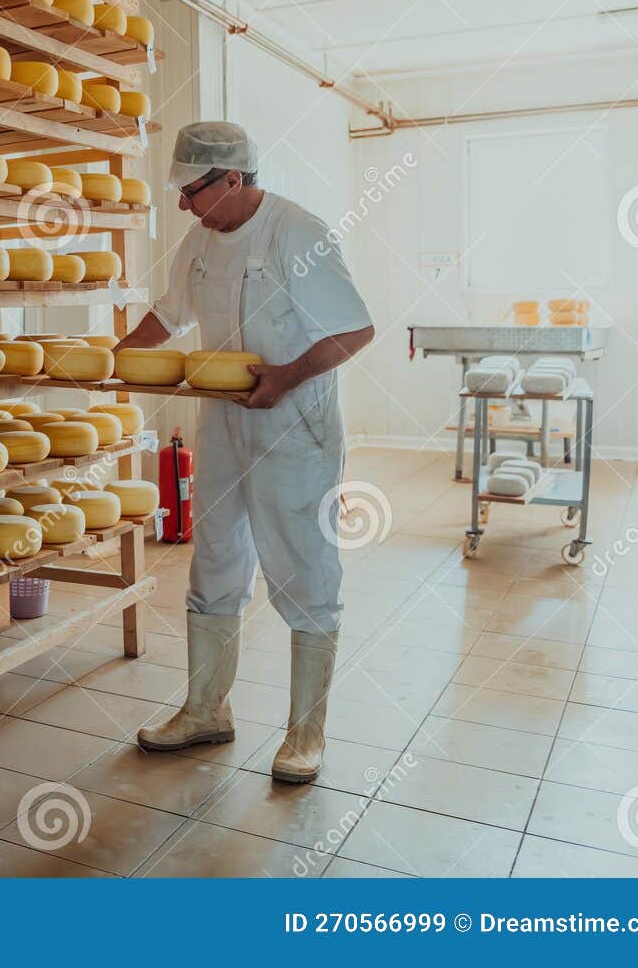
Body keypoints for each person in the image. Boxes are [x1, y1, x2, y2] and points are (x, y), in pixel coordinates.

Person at [119, 121, 374, 783]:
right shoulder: (199, 239)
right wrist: (117, 356)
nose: (184, 204)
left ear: (234, 179)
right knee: (215, 561)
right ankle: (206, 709)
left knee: (304, 567)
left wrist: (286, 377)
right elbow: (167, 314)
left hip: (295, 425)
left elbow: (356, 327)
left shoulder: (299, 232)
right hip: (226, 425)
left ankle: (305, 733)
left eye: (192, 191)